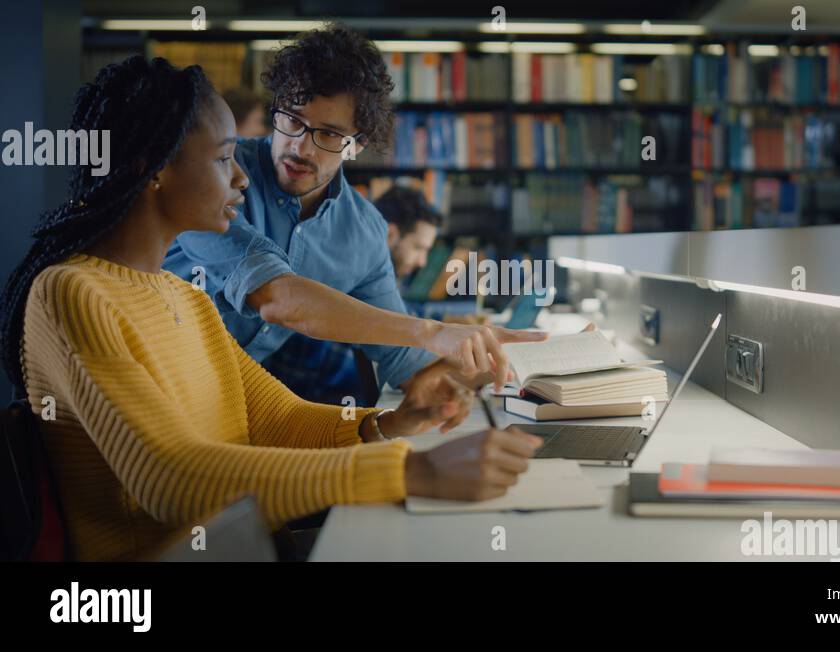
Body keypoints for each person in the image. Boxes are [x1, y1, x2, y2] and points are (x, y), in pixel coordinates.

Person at [0, 57, 540, 562]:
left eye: (328, 134)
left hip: (246, 544)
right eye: (221, 158)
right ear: (153, 167)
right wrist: (410, 471)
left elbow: (278, 418)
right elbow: (173, 481)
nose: (240, 176)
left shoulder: (183, 294)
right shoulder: (71, 293)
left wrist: (388, 423)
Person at [162, 23, 544, 433]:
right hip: (147, 389)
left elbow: (405, 361)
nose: (300, 147)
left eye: (328, 134)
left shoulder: (364, 231)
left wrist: (524, 363)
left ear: (357, 145)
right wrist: (432, 332)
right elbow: (274, 295)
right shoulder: (217, 174)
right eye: (292, 120)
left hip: (225, 413)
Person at [264, 184, 444, 404]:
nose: (422, 262)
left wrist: (441, 322)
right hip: (305, 407)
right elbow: (342, 370)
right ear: (391, 234)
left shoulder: (362, 274)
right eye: (418, 248)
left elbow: (391, 312)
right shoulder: (343, 273)